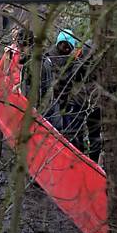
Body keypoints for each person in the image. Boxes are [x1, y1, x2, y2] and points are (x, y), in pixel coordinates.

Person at [45, 30, 102, 160]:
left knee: (75, 134)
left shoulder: (74, 63)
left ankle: (78, 160)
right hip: (81, 102)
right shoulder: (68, 61)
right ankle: (86, 161)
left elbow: (69, 80)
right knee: (86, 135)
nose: (65, 49)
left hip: (76, 102)